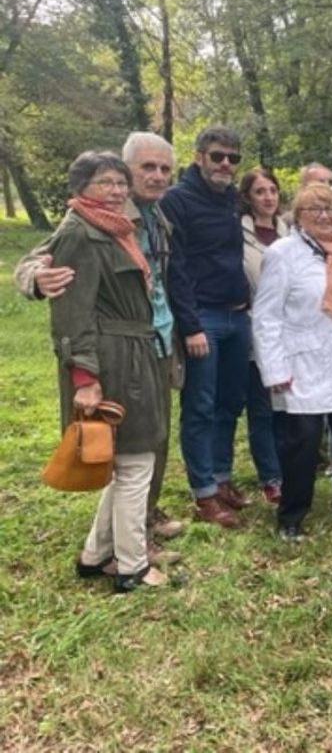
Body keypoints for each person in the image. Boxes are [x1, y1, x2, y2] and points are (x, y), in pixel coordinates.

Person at [15, 132, 184, 559]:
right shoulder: (98, 216)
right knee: (132, 450)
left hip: (158, 339)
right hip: (119, 348)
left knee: (153, 440)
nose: (157, 176)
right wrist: (33, 277)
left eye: (165, 168)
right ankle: (134, 547)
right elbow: (45, 257)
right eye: (147, 167)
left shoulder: (157, 216)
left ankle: (137, 524)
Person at [49, 150, 169, 590]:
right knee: (136, 462)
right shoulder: (79, 233)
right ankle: (132, 566)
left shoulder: (116, 230)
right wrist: (85, 379)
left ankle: (95, 555)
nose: (117, 191)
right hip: (109, 358)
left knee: (125, 462)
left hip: (132, 351)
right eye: (106, 183)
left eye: (121, 183)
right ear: (81, 188)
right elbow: (71, 314)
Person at [252, 184, 332, 541]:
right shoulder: (283, 254)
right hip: (304, 365)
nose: (325, 215)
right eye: (314, 210)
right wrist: (275, 369)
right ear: (298, 217)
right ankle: (292, 516)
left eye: (330, 208)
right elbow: (266, 317)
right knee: (302, 446)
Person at [160, 126, 252, 529]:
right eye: (218, 156)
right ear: (199, 157)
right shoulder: (177, 201)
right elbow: (174, 267)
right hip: (204, 319)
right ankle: (203, 493)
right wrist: (190, 324)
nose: (226, 165)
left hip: (237, 313)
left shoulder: (231, 199)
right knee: (200, 405)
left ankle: (222, 477)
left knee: (230, 402)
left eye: (233, 158)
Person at [239, 167, 289, 504]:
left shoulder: (290, 230)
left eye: (272, 190)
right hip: (255, 324)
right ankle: (270, 476)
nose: (268, 197)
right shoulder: (237, 233)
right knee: (262, 407)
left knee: (288, 404)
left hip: (292, 329)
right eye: (260, 191)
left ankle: (290, 466)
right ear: (247, 197)